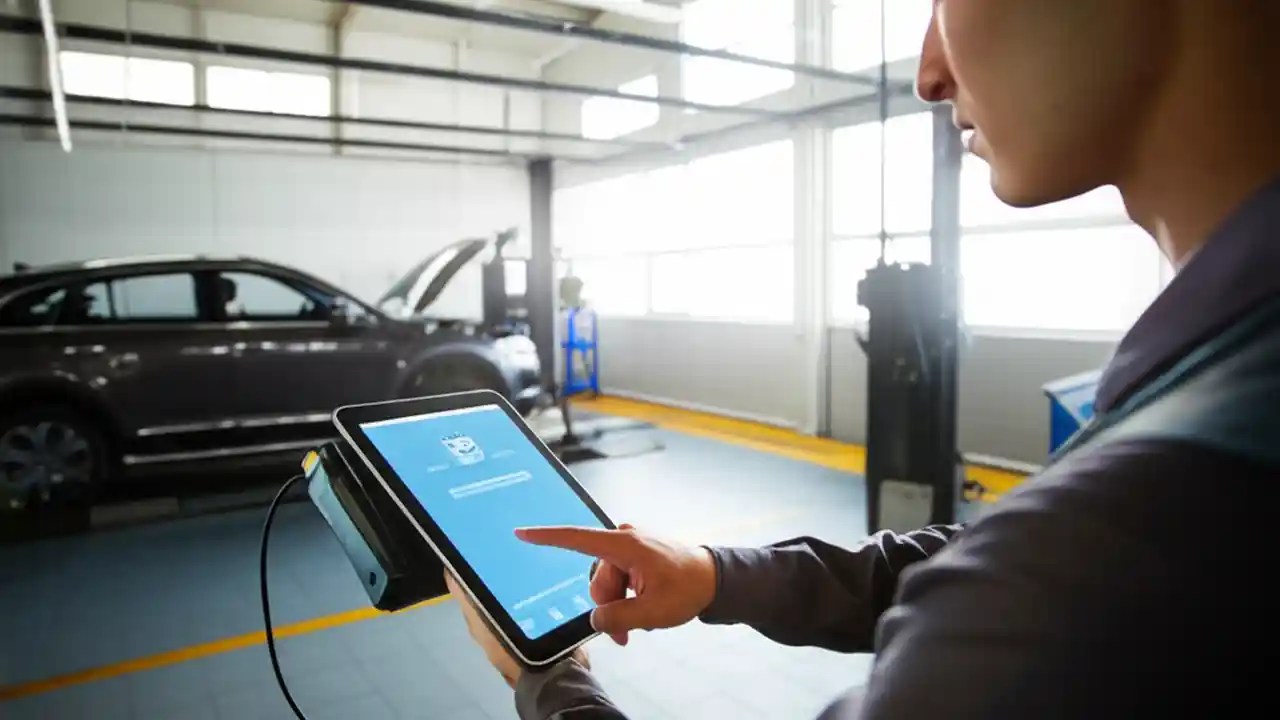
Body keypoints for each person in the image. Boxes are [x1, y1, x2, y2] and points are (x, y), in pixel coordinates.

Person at [449, 1, 1280, 717]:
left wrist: (552, 682)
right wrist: (717, 576)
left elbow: (1035, 573)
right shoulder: (1219, 378)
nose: (928, 72)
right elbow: (978, 559)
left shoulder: (1125, 535)